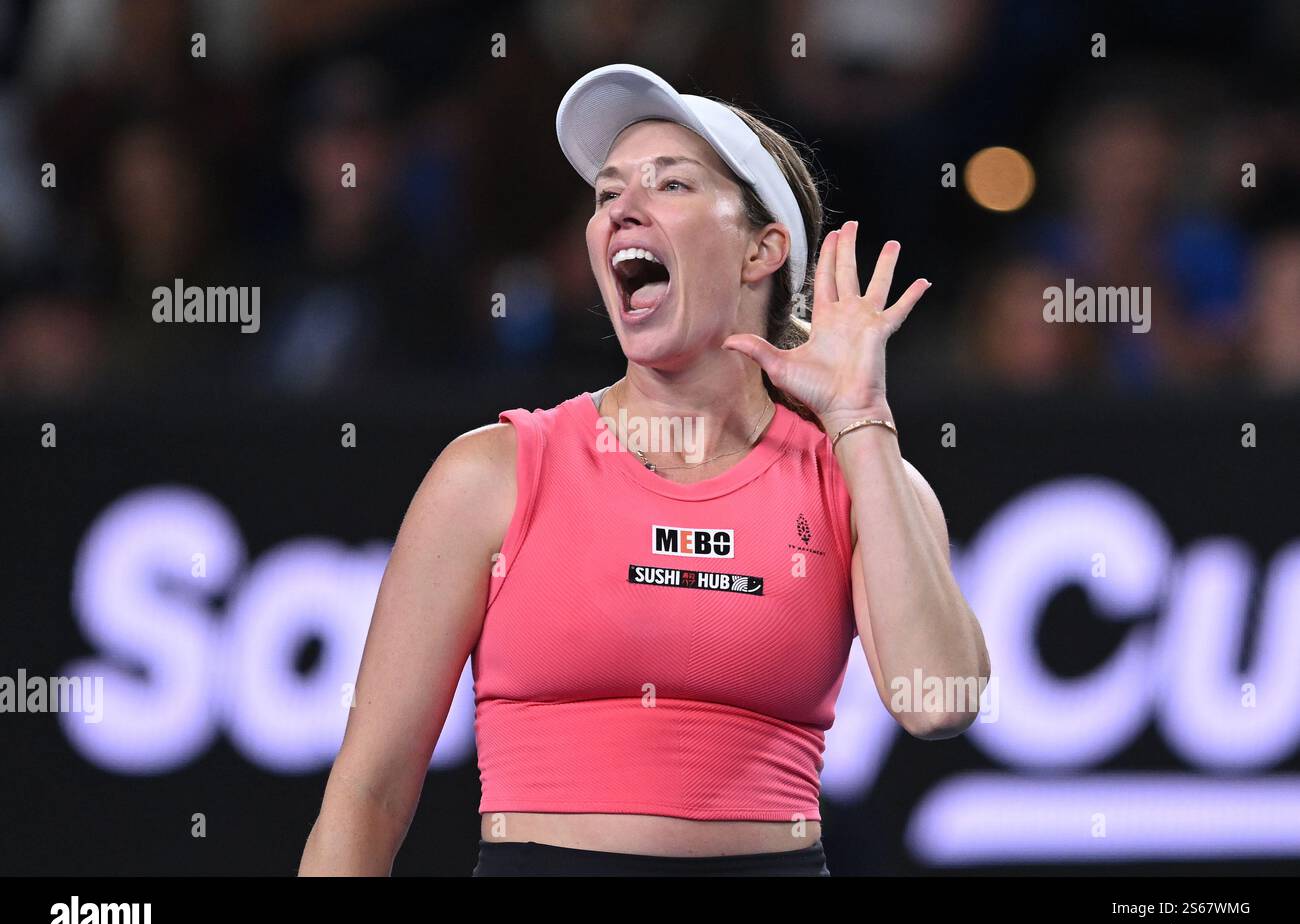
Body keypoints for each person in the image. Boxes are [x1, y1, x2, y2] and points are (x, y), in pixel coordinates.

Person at [298, 64, 988, 877]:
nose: (623, 208)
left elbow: (937, 703)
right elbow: (369, 791)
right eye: (607, 193)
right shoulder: (495, 472)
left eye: (671, 184)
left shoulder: (857, 477)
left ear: (763, 249)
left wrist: (860, 422)